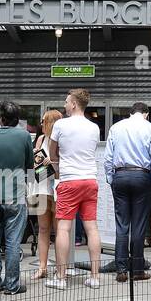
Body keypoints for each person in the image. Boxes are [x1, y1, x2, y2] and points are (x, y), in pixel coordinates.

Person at [47, 89, 102, 290]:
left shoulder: (61, 125)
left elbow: (52, 153)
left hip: (69, 181)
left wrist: (58, 168)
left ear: (74, 104)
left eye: (66, 101)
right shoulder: (94, 127)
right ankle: (95, 277)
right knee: (92, 228)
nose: (64, 104)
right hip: (90, 180)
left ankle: (61, 278)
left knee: (63, 228)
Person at [104, 102, 151, 282]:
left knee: (122, 224)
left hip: (120, 175)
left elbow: (108, 157)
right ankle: (137, 270)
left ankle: (121, 270)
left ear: (131, 113)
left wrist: (110, 178)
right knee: (138, 225)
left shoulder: (116, 127)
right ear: (146, 114)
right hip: (141, 176)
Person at [0, 101, 35, 294]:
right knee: (13, 241)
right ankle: (12, 284)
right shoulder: (24, 136)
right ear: (17, 119)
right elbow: (30, 166)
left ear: (1, 118)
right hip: (15, 195)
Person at [29, 109, 62, 279]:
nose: (41, 124)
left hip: (56, 187)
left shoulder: (62, 140)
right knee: (42, 228)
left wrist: (55, 162)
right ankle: (42, 267)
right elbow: (35, 163)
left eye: (44, 121)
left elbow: (66, 164)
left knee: (58, 230)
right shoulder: (41, 139)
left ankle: (59, 267)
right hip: (40, 186)